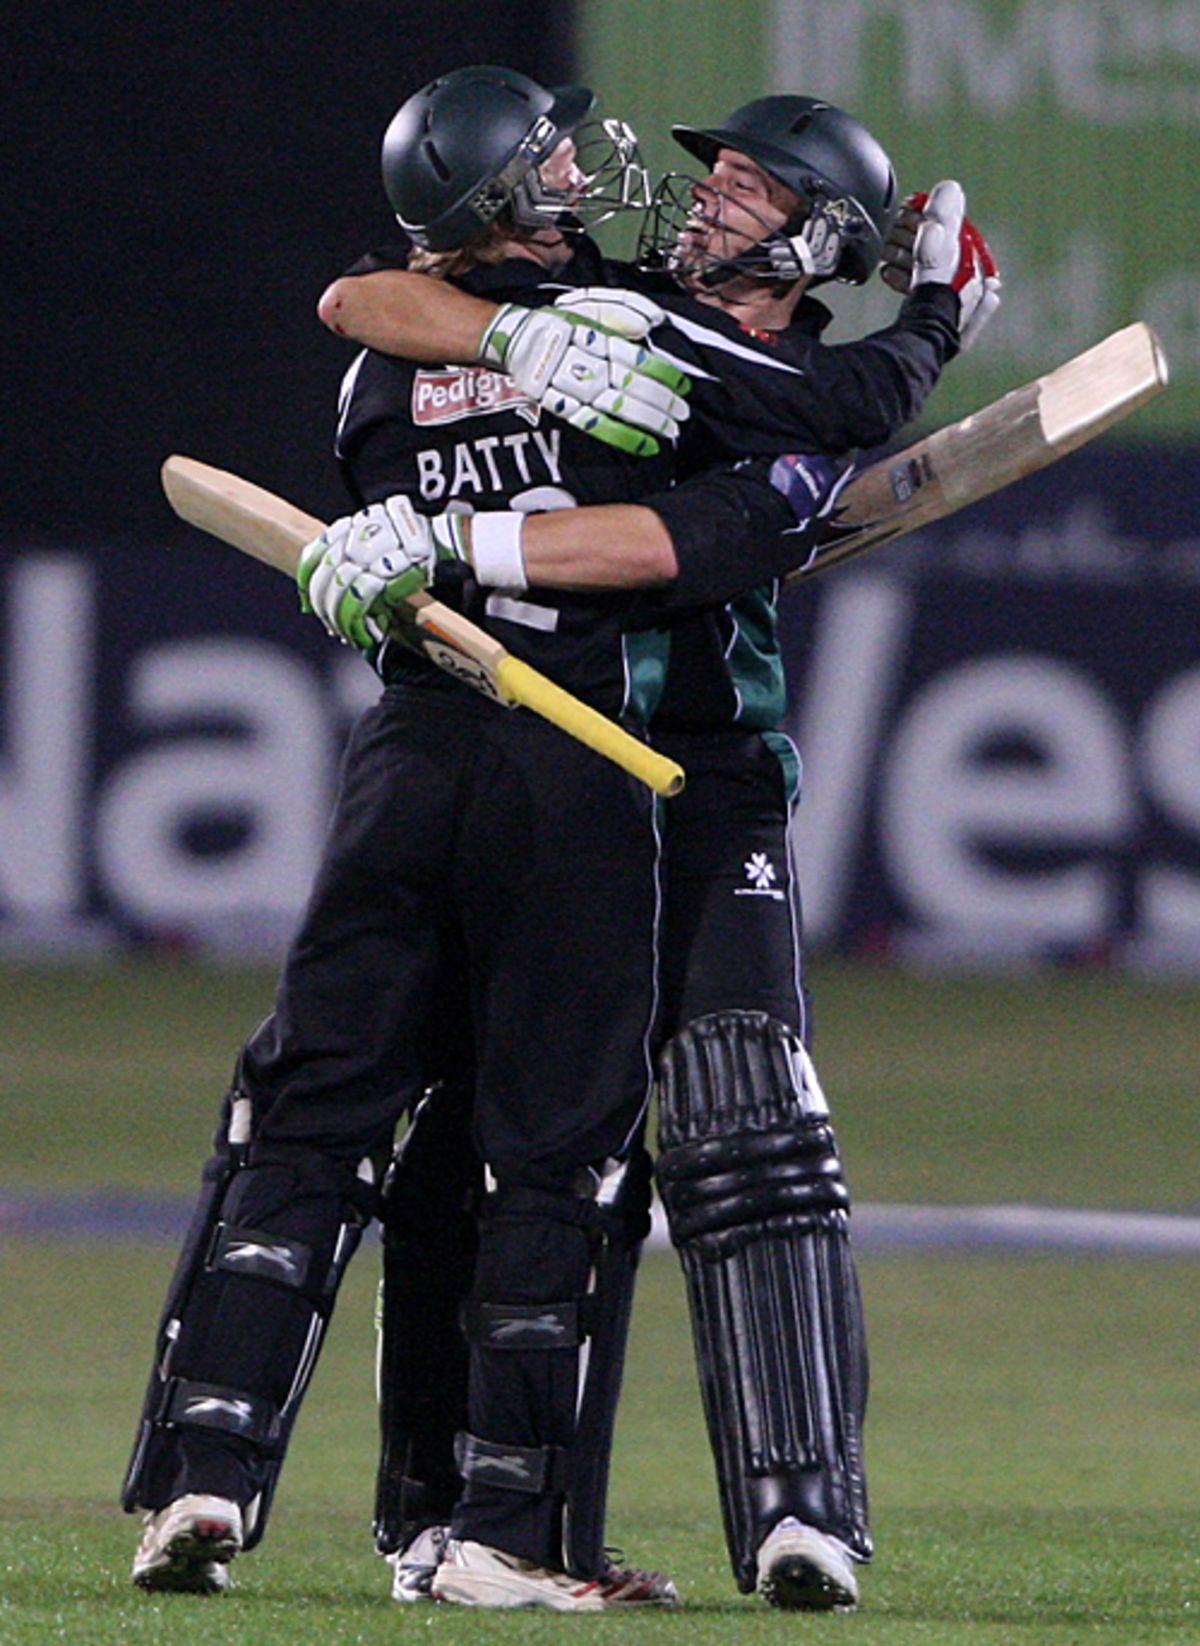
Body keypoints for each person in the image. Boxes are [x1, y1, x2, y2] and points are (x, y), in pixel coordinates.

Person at [309, 75, 999, 1610]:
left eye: (749, 189)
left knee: (754, 1107)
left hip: (709, 777)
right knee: (525, 1149)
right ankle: (465, 1521)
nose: (706, 199)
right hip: (550, 773)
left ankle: (802, 1513)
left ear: (817, 238)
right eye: (714, 177)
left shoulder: (792, 390)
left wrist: (452, 540)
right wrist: (510, 336)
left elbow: (797, 453)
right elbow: (369, 296)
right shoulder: (612, 298)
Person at [119, 66, 741, 1614]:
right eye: (551, 158)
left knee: (308, 1110)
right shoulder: (624, 321)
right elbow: (766, 436)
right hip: (575, 751)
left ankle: (203, 1474)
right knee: (558, 1149)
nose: (581, 171)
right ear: (503, 204)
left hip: (409, 755)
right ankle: (502, 1532)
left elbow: (367, 304)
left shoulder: (379, 374)